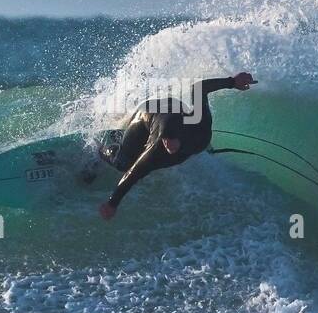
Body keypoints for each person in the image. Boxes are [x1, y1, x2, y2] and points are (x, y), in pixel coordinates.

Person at [98, 72, 256, 220]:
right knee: (123, 163)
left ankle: (122, 136)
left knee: (181, 141)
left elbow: (199, 88)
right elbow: (133, 172)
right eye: (164, 139)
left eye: (169, 140)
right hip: (148, 114)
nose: (166, 144)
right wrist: (113, 203)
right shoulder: (159, 147)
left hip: (171, 109)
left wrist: (233, 81)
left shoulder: (201, 125)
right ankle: (102, 146)